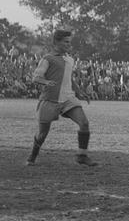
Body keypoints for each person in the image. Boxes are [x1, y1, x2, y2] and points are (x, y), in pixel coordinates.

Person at [26, 30, 97, 167]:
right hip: (50, 100)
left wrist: (80, 92)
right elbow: (36, 77)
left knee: (84, 123)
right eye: (66, 42)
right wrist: (46, 82)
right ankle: (33, 155)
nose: (69, 45)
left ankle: (82, 156)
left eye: (69, 42)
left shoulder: (69, 59)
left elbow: (69, 78)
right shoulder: (47, 58)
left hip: (68, 99)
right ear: (56, 42)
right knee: (42, 134)